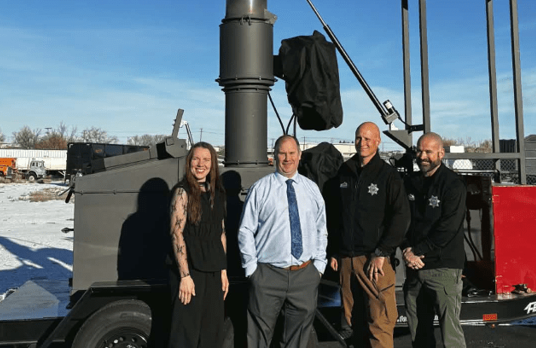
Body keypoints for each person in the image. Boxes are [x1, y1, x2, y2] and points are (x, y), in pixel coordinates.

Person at [324, 122, 410, 348]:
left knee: (380, 323)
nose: (363, 143)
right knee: (354, 322)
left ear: (378, 141)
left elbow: (401, 217)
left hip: (374, 262)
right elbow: (334, 216)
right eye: (359, 138)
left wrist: (382, 252)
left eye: (368, 139)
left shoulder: (388, 176)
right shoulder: (344, 172)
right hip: (346, 261)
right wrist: (334, 250)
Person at [238, 134, 328, 348]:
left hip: (304, 275)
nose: (287, 158)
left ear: (299, 156)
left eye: (291, 153)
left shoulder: (311, 189)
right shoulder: (260, 189)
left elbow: (321, 229)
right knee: (258, 339)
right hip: (267, 275)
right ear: (275, 155)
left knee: (297, 341)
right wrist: (252, 269)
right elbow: (245, 230)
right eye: (282, 153)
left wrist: (318, 266)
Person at [401, 132, 467, 348]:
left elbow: (447, 229)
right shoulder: (411, 183)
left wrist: (416, 251)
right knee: (419, 333)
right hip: (414, 269)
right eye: (419, 151)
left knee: (451, 335)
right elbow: (401, 221)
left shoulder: (453, 185)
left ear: (441, 153)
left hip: (443, 269)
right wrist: (405, 250)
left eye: (428, 151)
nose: (422, 156)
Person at [168, 142, 229, 348]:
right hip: (190, 271)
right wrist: (185, 276)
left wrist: (223, 271)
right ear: (189, 162)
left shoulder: (217, 192)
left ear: (213, 163)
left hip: (213, 269)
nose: (200, 164)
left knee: (212, 334)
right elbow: (176, 234)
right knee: (186, 334)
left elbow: (220, 233)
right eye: (196, 159)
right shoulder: (182, 192)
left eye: (206, 159)